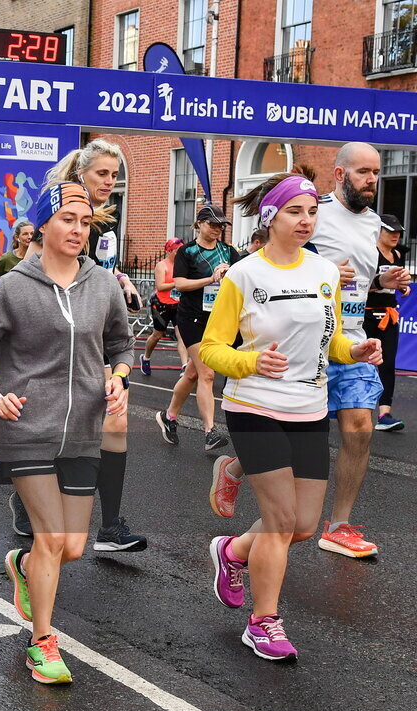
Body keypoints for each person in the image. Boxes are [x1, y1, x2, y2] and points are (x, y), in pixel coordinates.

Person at [201, 172, 383, 661]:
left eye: (310, 212)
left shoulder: (324, 272)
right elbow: (212, 348)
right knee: (280, 522)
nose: (305, 221)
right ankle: (263, 623)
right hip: (255, 405)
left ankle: (233, 551)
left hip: (310, 407)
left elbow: (334, 339)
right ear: (270, 218)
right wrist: (250, 361)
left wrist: (357, 349)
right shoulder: (244, 275)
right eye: (294, 212)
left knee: (303, 526)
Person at [0, 181, 134, 683]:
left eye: (85, 222)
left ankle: (24, 564)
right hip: (27, 429)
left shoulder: (102, 284)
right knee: (54, 538)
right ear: (43, 227)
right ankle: (42, 641)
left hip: (83, 430)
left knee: (71, 546)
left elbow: (121, 346)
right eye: (68, 220)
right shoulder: (11, 287)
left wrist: (119, 380)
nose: (78, 230)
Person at [31, 140, 147, 552]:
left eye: (115, 176)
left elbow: (104, 271)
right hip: (59, 335)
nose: (110, 182)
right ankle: (28, 497)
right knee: (56, 424)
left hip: (98, 337)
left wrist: (124, 282)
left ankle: (111, 526)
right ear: (81, 174)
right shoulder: (58, 215)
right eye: (102, 173)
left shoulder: (107, 224)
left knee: (115, 422)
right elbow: (36, 266)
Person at [307, 143, 410, 557]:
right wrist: (325, 271)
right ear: (339, 174)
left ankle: (339, 526)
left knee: (360, 429)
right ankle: (236, 466)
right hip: (307, 339)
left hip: (351, 337)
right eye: (364, 172)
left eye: (376, 172)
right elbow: (275, 259)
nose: (372, 180)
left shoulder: (372, 224)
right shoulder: (310, 211)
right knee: (297, 435)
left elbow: (360, 282)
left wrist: (384, 282)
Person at [155, 204, 237, 451]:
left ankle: (168, 416)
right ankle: (210, 432)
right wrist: (210, 279)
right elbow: (179, 284)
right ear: (199, 224)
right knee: (207, 374)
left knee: (192, 373)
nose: (217, 229)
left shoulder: (228, 251)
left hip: (217, 319)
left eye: (221, 225)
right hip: (191, 318)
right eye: (213, 224)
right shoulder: (187, 252)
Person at [365, 213, 410, 431]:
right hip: (366, 314)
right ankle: (353, 410)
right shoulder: (368, 254)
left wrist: (404, 287)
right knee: (360, 362)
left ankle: (385, 414)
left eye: (398, 232)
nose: (395, 235)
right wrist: (379, 282)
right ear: (379, 231)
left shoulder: (398, 254)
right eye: (391, 231)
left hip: (389, 314)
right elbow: (359, 284)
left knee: (388, 362)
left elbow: (400, 283)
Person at [141, 238, 189, 375]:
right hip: (161, 305)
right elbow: (160, 286)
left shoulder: (183, 265)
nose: (180, 253)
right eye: (176, 251)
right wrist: (177, 283)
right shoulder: (162, 265)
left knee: (181, 335)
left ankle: (184, 365)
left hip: (178, 305)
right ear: (169, 251)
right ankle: (146, 357)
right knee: (157, 335)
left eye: (181, 251)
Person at [0, 220, 34, 286]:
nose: (29, 237)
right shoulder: (6, 258)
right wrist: (5, 294)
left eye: (32, 234)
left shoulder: (39, 258)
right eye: (25, 234)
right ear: (17, 237)